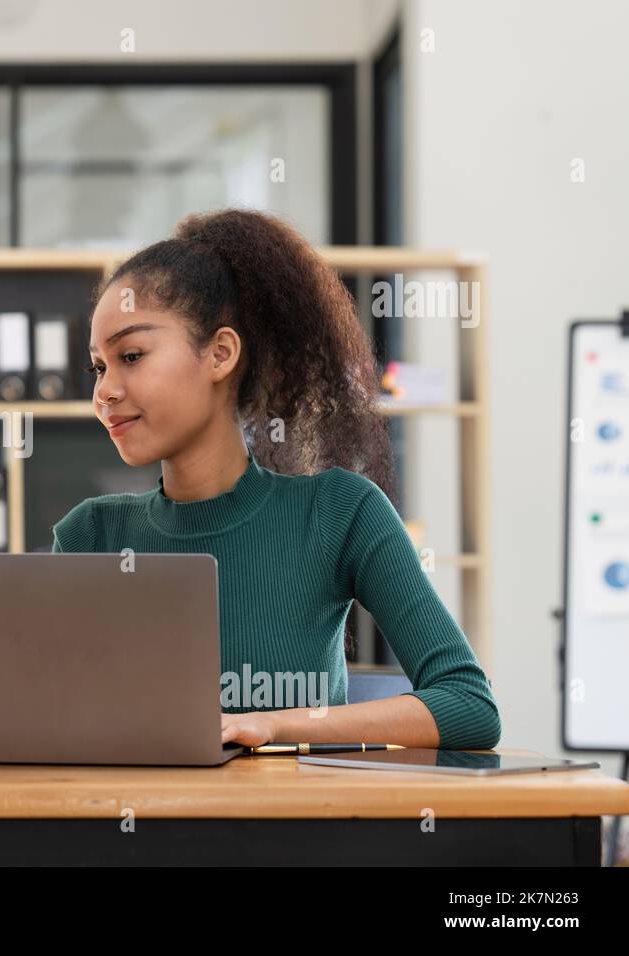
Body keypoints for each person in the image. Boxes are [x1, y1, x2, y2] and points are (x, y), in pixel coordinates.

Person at [52, 209, 501, 750]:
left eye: (131, 356)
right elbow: (52, 715)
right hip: (141, 805)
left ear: (220, 354)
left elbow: (469, 706)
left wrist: (274, 723)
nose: (105, 391)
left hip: (301, 805)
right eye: (99, 367)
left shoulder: (340, 512)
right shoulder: (90, 536)